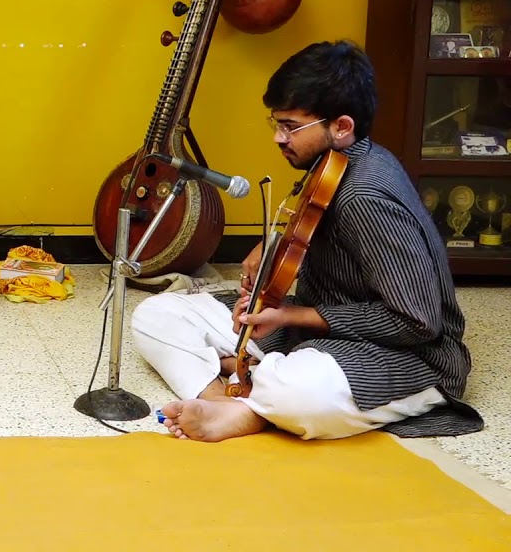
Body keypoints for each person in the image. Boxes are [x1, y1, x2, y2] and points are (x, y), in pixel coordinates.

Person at [131, 40, 483, 442]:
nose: (278, 138)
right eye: (276, 124)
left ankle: (252, 404)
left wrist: (290, 316)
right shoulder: (333, 162)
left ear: (342, 126)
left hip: (407, 355)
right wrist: (273, 247)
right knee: (156, 315)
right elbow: (313, 228)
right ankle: (221, 399)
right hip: (321, 330)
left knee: (298, 391)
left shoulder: (366, 197)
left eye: (291, 126)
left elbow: (416, 322)